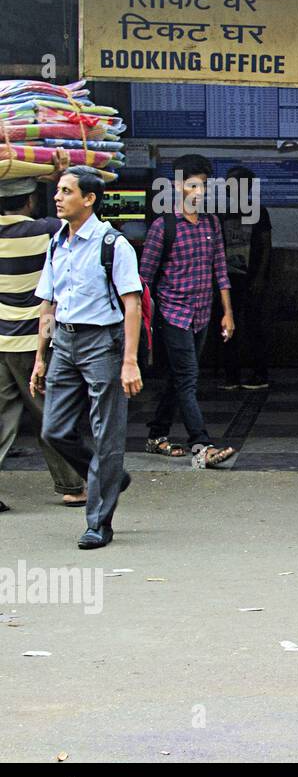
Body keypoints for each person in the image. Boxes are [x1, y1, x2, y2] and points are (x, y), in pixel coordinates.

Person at [29, 166, 143, 548]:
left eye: (66, 191)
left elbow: (133, 305)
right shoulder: (56, 243)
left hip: (102, 344)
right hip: (64, 341)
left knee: (106, 433)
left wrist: (130, 360)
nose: (58, 197)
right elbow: (49, 304)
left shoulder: (113, 244)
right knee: (53, 430)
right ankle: (109, 474)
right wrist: (41, 356)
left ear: (89, 199)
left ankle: (99, 522)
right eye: (58, 190)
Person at [140, 154, 237, 468]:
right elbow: (144, 277)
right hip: (172, 312)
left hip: (202, 312)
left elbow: (220, 268)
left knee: (178, 377)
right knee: (188, 377)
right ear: (176, 186)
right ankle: (202, 444)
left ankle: (157, 434)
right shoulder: (162, 227)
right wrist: (142, 322)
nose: (199, 191)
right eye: (192, 184)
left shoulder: (211, 223)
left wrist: (227, 312)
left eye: (204, 185)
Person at [0, 171, 86, 511]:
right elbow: (77, 221)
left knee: (2, 418)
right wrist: (55, 174)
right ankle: (71, 486)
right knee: (52, 413)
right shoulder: (46, 230)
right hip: (36, 341)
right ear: (31, 200)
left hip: (0, 339)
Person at [218, 165, 272, 391]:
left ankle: (259, 374)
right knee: (226, 328)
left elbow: (267, 247)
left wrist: (260, 276)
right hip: (227, 280)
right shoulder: (221, 212)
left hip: (250, 278)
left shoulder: (258, 211)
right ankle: (231, 376)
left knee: (253, 327)